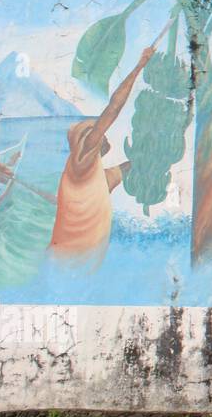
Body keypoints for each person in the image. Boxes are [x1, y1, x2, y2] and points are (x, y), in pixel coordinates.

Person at [49, 43, 157, 262]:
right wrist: (140, 65)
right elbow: (113, 109)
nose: (101, 135)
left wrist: (144, 158)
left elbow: (119, 172)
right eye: (93, 133)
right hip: (72, 259)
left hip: (78, 259)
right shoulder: (82, 159)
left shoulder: (88, 178)